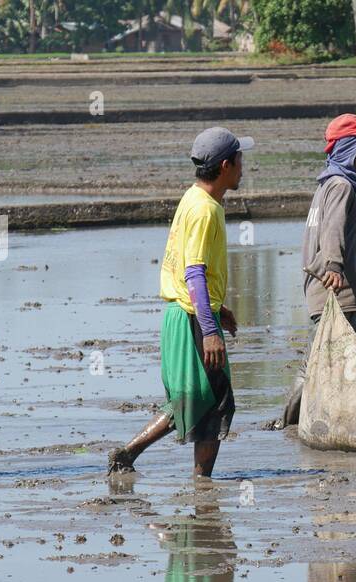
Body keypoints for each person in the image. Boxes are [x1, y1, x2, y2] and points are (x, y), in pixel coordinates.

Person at [108, 127, 251, 476]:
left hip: (181, 313)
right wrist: (210, 328)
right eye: (240, 160)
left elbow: (192, 269)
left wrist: (219, 309)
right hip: (192, 317)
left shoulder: (193, 198)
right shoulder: (205, 210)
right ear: (226, 165)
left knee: (193, 398)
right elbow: (195, 273)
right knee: (215, 403)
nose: (244, 167)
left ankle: (128, 454)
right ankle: (202, 486)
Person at [278, 113, 356, 428]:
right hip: (334, 289)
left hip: (328, 288)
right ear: (347, 151)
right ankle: (287, 425)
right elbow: (332, 230)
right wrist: (335, 266)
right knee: (319, 365)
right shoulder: (341, 186)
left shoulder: (329, 184)